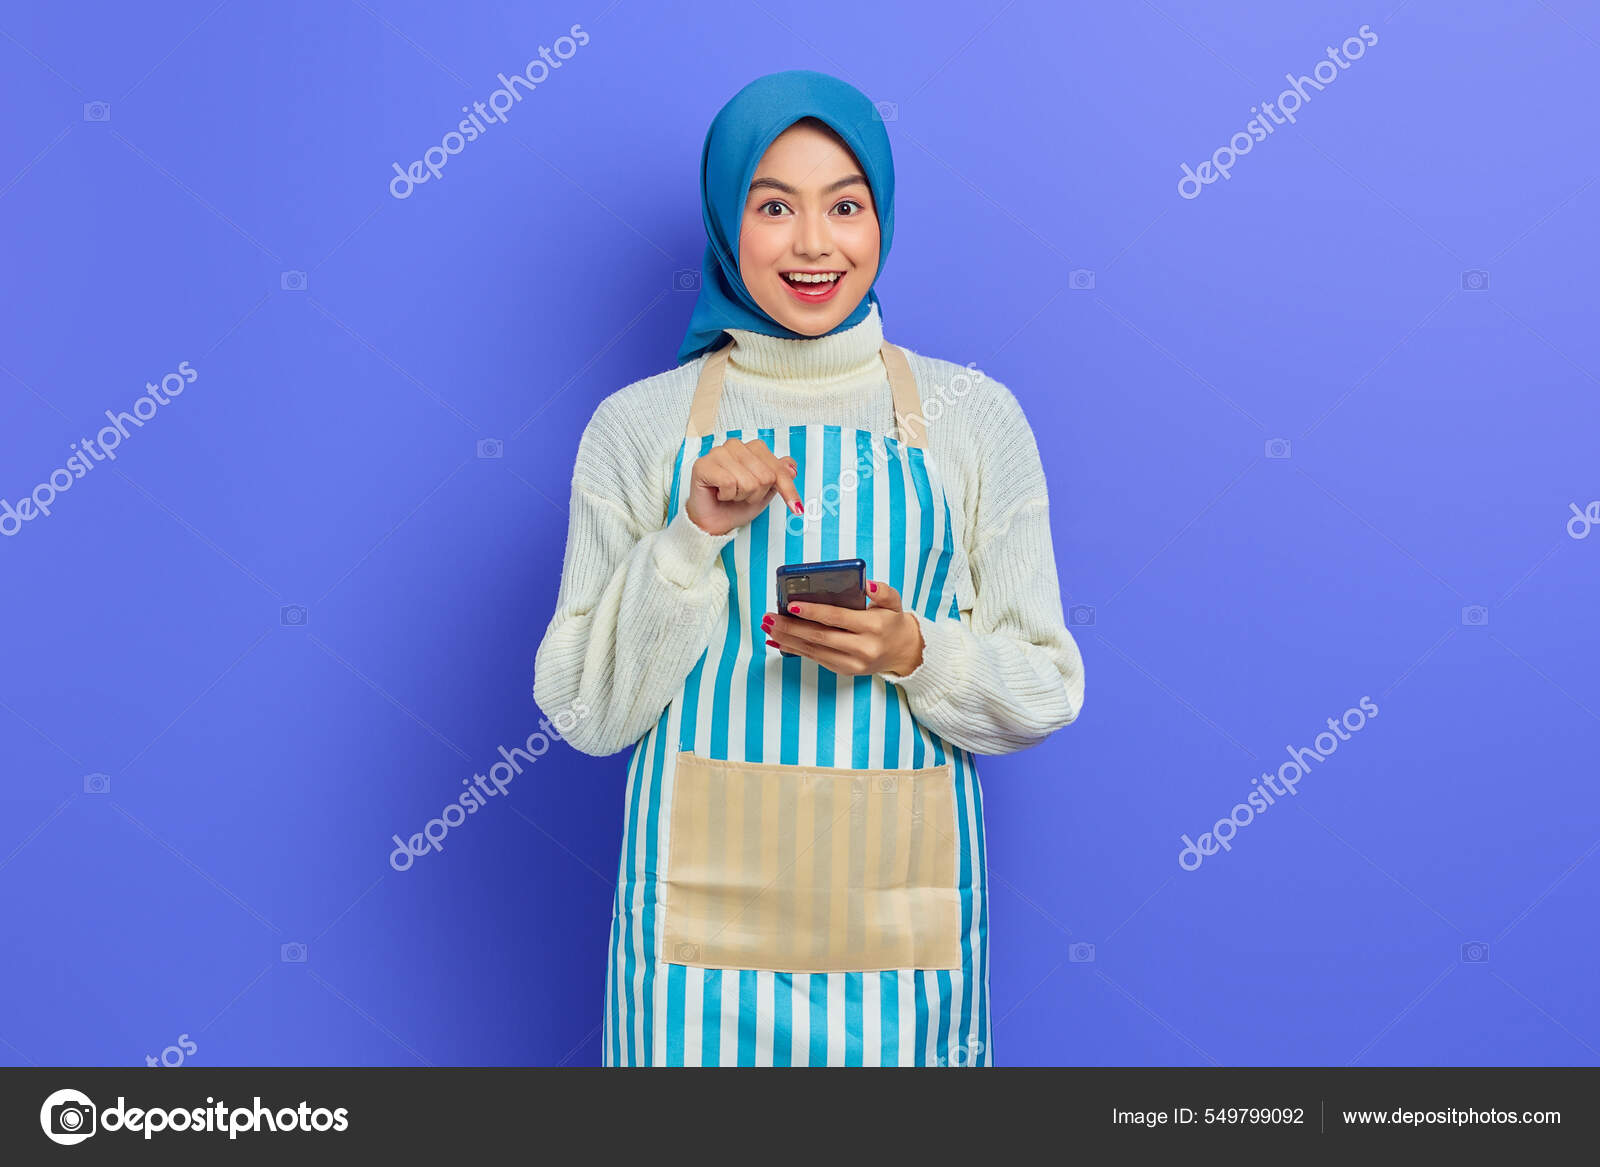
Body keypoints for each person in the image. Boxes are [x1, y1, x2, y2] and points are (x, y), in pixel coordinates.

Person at [534, 69, 1084, 1067]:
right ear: (724, 218)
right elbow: (581, 715)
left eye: (845, 205)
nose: (815, 244)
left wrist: (919, 649)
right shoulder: (642, 428)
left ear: (882, 217)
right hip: (693, 968)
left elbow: (1045, 691)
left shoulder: (970, 419)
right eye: (773, 206)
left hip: (897, 952)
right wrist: (690, 535)